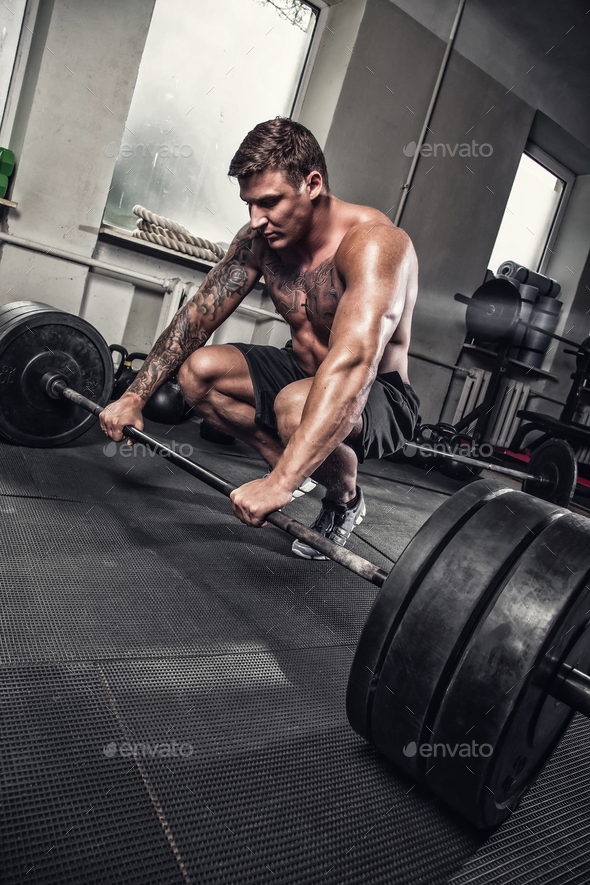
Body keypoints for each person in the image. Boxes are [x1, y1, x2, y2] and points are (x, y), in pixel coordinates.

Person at [100, 118, 420, 559]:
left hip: (379, 392)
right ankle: (297, 463)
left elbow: (352, 364)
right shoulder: (260, 239)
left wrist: (279, 486)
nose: (256, 220)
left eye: (269, 202)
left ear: (312, 183)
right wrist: (135, 395)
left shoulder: (374, 244)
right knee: (199, 374)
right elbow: (197, 316)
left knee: (294, 409)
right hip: (302, 371)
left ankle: (343, 498)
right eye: (249, 204)